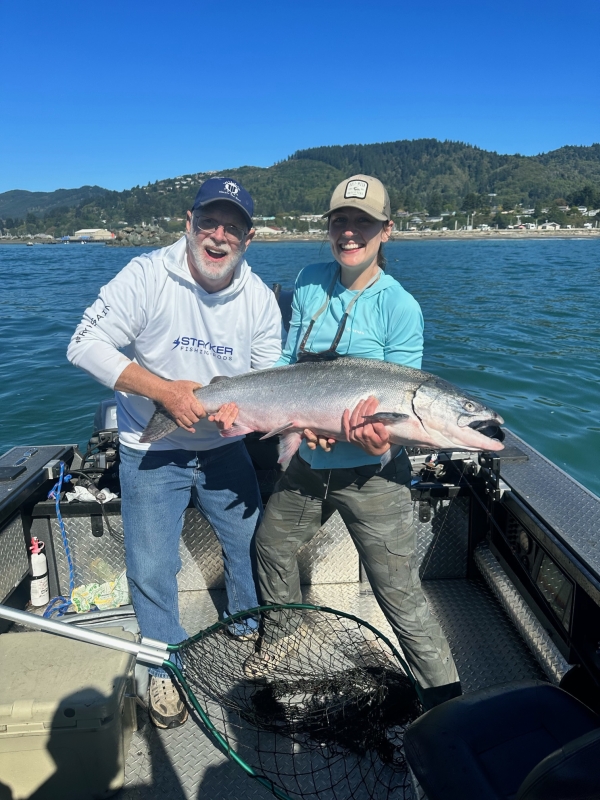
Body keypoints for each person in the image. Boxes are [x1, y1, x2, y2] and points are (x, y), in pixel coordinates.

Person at [67, 177, 282, 728]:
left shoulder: (257, 299)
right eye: (208, 222)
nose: (218, 236)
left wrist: (244, 417)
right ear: (188, 224)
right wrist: (164, 391)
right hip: (149, 444)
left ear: (248, 239)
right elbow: (83, 344)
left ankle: (246, 620)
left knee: (250, 539)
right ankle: (165, 664)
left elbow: (267, 381)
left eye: (231, 227)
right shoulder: (145, 276)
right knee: (151, 566)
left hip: (222, 445)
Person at [243, 174, 462, 711]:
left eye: (362, 222)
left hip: (374, 476)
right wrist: (261, 407)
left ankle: (448, 701)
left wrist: (368, 438)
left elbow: (401, 409)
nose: (348, 233)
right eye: (340, 221)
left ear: (386, 230)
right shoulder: (309, 279)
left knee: (399, 594)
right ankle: (284, 646)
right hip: (306, 468)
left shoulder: (400, 307)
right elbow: (291, 367)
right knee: (271, 548)